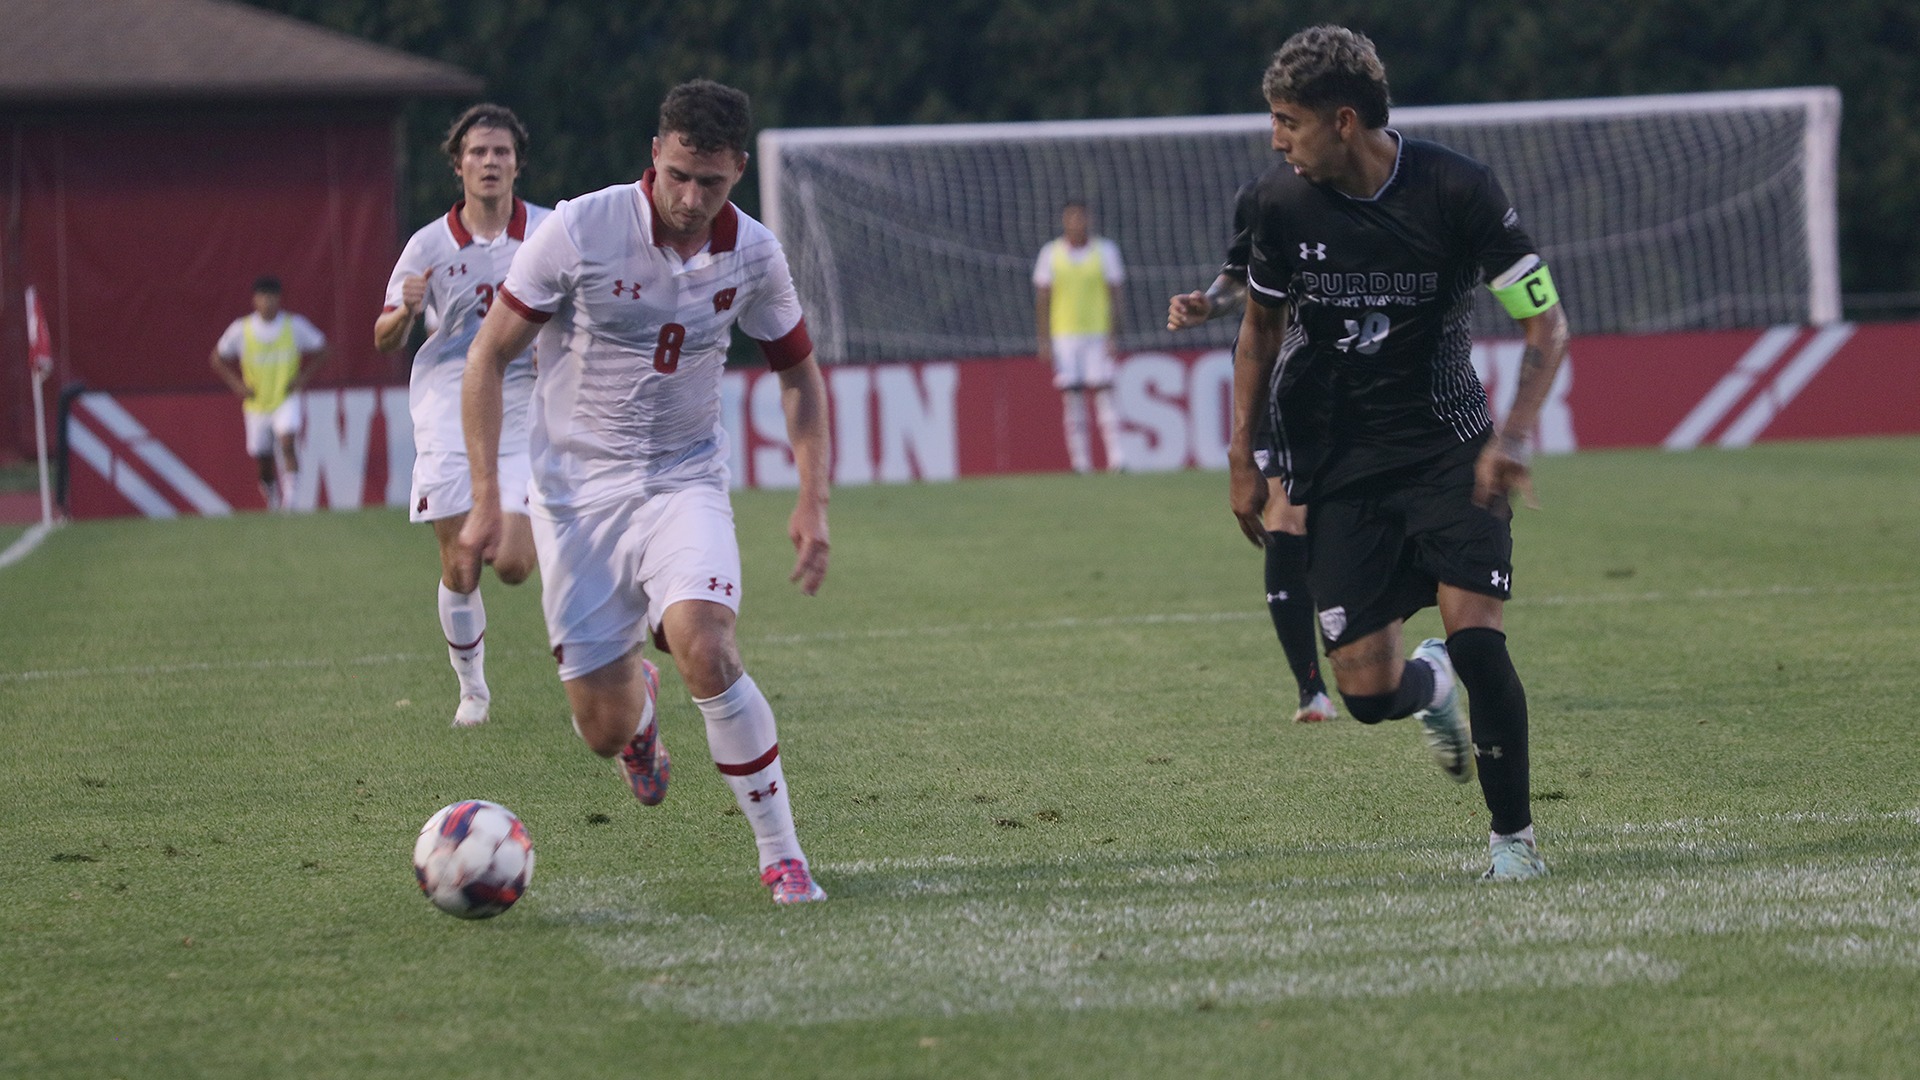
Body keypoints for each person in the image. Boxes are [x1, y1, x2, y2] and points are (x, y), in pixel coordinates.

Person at [455, 79, 832, 905]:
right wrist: (489, 497)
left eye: (714, 183)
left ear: (739, 171)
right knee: (601, 729)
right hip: (575, 498)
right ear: (655, 154)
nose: (694, 199)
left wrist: (813, 498)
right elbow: (487, 358)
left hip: (682, 478)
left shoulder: (756, 253)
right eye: (680, 177)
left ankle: (782, 855)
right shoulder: (580, 229)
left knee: (706, 642)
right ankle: (639, 719)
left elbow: (798, 372)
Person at [1227, 26, 1570, 881]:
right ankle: (1430, 689)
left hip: (1453, 450)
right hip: (1339, 467)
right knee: (1370, 697)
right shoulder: (1280, 203)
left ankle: (1514, 843)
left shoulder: (1459, 189)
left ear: (1343, 120)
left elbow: (1545, 322)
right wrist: (1243, 457)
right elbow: (1257, 334)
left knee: (1481, 640)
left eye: (1287, 121)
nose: (1276, 138)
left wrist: (1514, 436)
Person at [375, 104, 549, 729]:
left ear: (517, 163)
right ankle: (472, 691)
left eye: (501, 152)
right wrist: (402, 313)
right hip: (449, 404)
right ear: (458, 165)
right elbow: (384, 337)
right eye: (478, 152)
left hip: (529, 398)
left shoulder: (551, 232)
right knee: (463, 562)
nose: (490, 162)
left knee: (513, 564)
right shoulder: (427, 245)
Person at [1170, 177, 1336, 725]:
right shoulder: (1262, 198)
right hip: (1277, 385)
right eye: (1278, 122)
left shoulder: (1368, 190)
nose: (1281, 136)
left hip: (1348, 385)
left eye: (1290, 122)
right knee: (1284, 520)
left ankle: (1374, 664)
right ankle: (1311, 690)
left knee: (1345, 532)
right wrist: (1209, 303)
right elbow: (1240, 281)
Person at [210, 277, 327, 510]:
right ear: (255, 300)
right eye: (263, 296)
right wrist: (237, 385)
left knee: (287, 442)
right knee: (263, 458)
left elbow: (323, 349)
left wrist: (302, 378)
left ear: (279, 299)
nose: (268, 302)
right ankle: (271, 495)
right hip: (257, 404)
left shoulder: (293, 326)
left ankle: (290, 502)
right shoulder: (241, 329)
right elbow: (217, 358)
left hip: (285, 398)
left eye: (272, 296)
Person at [1033, 202, 1128, 473]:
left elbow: (1115, 294)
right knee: (1072, 396)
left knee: (1104, 391)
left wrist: (1114, 333)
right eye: (1071, 217)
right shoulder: (1051, 254)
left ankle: (1117, 458)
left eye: (1080, 216)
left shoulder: (1105, 251)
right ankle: (1080, 462)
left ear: (1088, 219)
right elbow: (1042, 298)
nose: (1076, 222)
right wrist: (1044, 339)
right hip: (1064, 335)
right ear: (1064, 220)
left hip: (1098, 333)